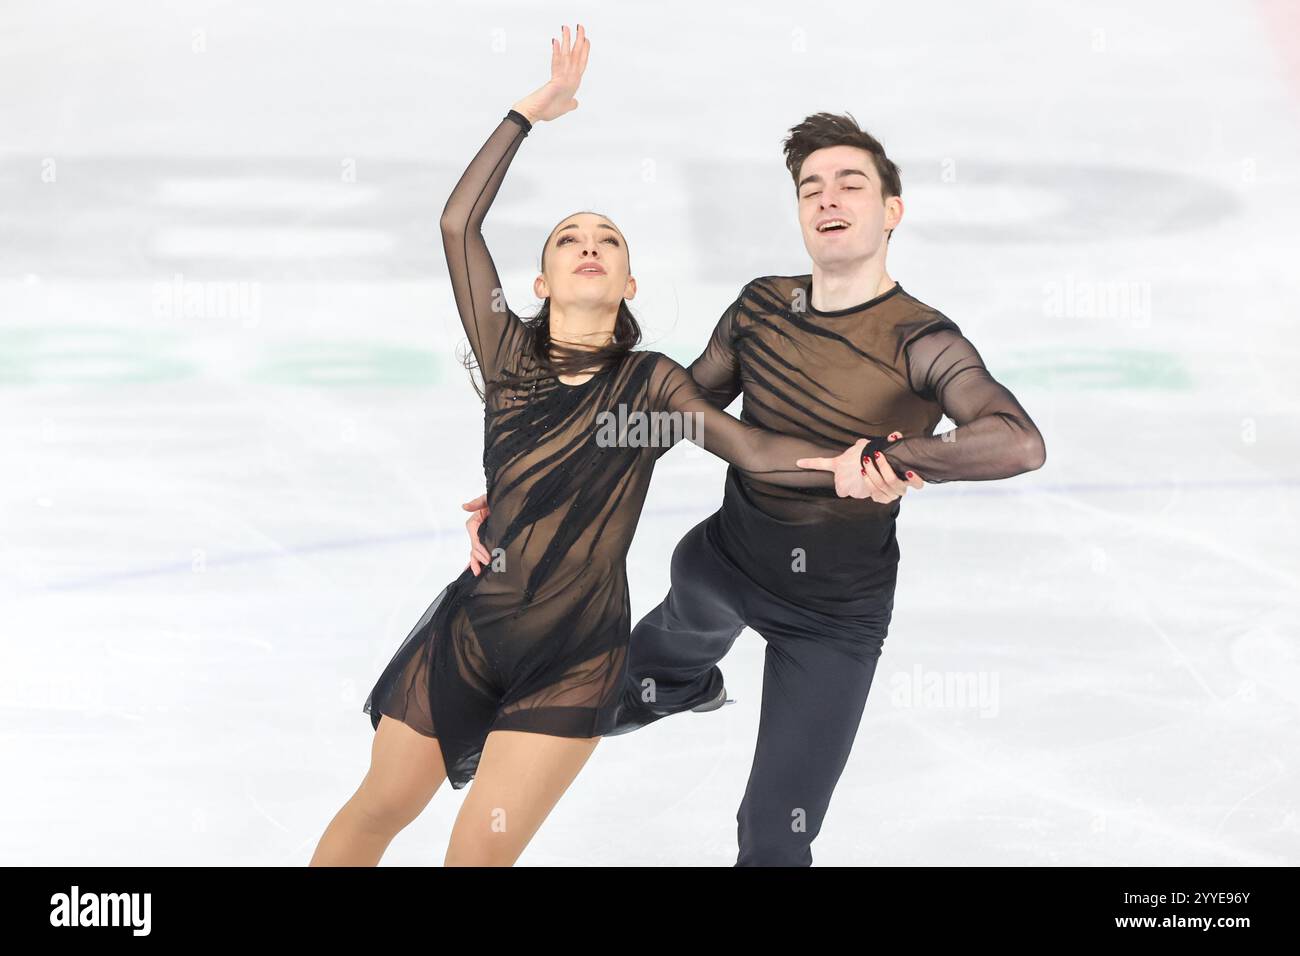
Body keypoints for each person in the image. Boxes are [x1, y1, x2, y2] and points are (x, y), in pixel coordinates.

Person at [310, 24, 881, 868]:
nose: (588, 246)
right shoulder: (507, 361)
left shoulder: (649, 386)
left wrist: (837, 464)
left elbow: (748, 446)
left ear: (629, 281)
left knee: (476, 857)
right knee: (376, 810)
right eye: (569, 239)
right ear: (539, 283)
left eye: (606, 240)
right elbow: (458, 225)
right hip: (469, 634)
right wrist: (525, 114)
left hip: (576, 660)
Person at [461, 100, 1048, 865]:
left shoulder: (921, 339)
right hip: (721, 567)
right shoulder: (762, 307)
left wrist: (898, 459)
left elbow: (1018, 442)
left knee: (773, 835)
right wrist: (533, 484)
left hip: (832, 617)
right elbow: (671, 413)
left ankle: (685, 685)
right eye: (812, 188)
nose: (829, 199)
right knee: (584, 700)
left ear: (891, 209)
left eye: (850, 185)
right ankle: (682, 682)